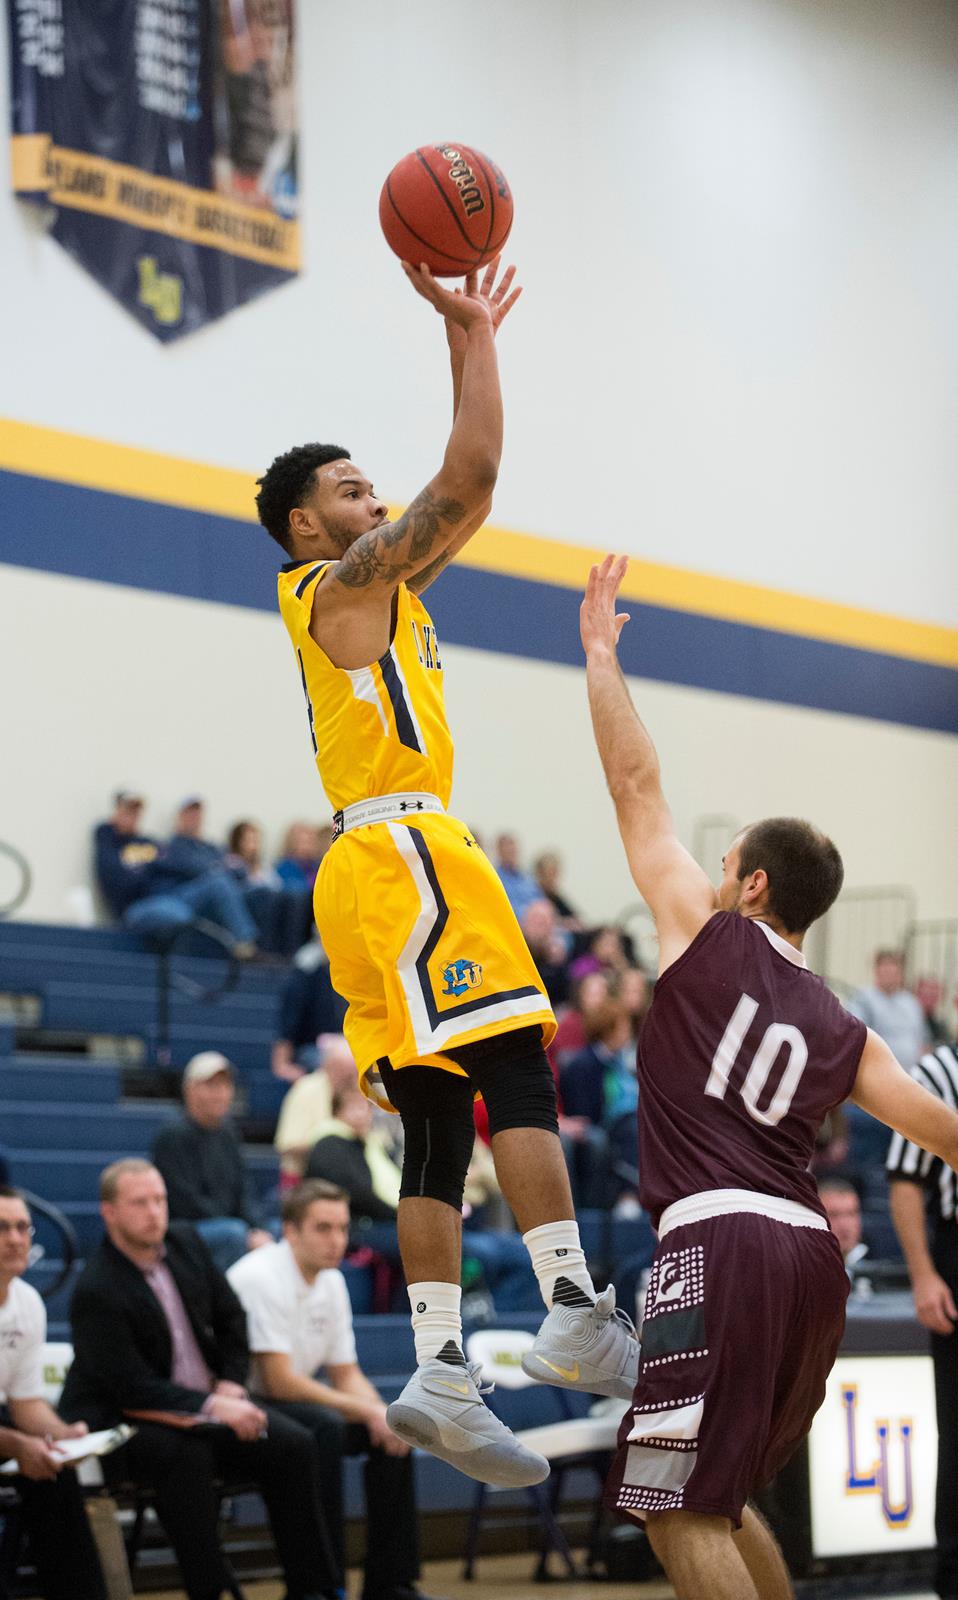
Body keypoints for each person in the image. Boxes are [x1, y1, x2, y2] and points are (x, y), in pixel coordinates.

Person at [253, 260, 637, 1487]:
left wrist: (471, 344)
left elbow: (474, 492)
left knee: (430, 1116)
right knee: (517, 1062)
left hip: (370, 866)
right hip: (405, 850)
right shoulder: (338, 587)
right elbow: (463, 479)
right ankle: (570, 1307)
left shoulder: (381, 588)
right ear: (304, 523)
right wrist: (470, 337)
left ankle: (437, 1371)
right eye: (348, 488)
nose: (373, 497)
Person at [576, 554, 958, 1600]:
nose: (705, 876)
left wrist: (602, 657)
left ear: (750, 885)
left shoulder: (702, 934)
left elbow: (634, 787)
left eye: (724, 863)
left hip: (720, 1241)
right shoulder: (849, 1027)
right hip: (811, 1259)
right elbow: (944, 1133)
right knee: (724, 1493)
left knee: (675, 1505)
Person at [60, 1160, 340, 1600]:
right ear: (109, 1212)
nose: (154, 1212)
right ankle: (209, 1590)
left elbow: (232, 1319)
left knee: (293, 1444)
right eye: (139, 1203)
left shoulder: (185, 1243)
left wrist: (231, 1383)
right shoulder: (98, 1287)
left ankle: (312, 1590)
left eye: (159, 1200)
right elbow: (129, 1386)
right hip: (125, 1422)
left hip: (203, 1406)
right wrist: (213, 1406)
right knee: (186, 1455)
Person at [228, 1180, 438, 1600]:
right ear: (291, 1231)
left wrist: (384, 1414)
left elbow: (345, 1373)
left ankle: (391, 1584)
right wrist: (367, 1411)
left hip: (295, 1400)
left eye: (342, 1228)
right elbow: (277, 1380)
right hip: (244, 1403)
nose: (337, 1240)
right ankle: (326, 1585)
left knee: (394, 1433)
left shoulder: (332, 1281)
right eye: (323, 1228)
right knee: (324, 1429)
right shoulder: (259, 1276)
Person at [0, 1186, 106, 1600]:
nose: (15, 1239)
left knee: (54, 1467)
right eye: (2, 1228)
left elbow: (25, 1401)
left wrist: (63, 1435)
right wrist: (19, 1445)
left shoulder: (28, 1303)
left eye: (22, 1228)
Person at [887, 1037, 958, 1600]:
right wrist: (924, 1274)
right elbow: (906, 1180)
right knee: (956, 1429)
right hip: (955, 1249)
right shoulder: (938, 1070)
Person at [94, 790, 259, 952]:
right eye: (127, 811)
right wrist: (151, 868)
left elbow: (178, 867)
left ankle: (247, 947)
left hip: (170, 896)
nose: (132, 816)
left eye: (136, 812)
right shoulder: (108, 842)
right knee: (178, 913)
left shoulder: (149, 843)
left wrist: (149, 869)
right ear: (116, 812)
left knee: (218, 884)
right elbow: (121, 880)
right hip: (136, 907)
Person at [152, 1052, 272, 1272]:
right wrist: (246, 1231)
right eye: (211, 1086)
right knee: (233, 1234)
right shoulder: (172, 1136)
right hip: (185, 1231)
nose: (220, 1093)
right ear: (189, 1090)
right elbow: (183, 1202)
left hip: (229, 1224)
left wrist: (258, 1228)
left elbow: (243, 1191)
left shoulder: (229, 1134)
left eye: (225, 1086)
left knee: (278, 1229)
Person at [274, 1032, 357, 1186]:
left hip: (344, 1182)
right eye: (346, 1073)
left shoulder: (355, 1091)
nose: (352, 1079)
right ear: (329, 1067)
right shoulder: (306, 1090)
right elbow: (287, 1145)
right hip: (304, 1183)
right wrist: (336, 1143)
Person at [271, 939, 348, 1083]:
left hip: (347, 1045)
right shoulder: (307, 973)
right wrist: (281, 1063)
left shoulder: (355, 972)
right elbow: (289, 1021)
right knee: (338, 1060)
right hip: (314, 1047)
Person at [848, 949, 929, 1069]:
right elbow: (857, 1036)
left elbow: (922, 1040)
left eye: (893, 970)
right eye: (885, 970)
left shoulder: (911, 1002)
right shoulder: (864, 999)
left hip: (911, 1072)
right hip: (878, 1070)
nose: (889, 975)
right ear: (877, 971)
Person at [817, 1176, 871, 1288]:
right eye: (833, 1215)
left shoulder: (882, 1264)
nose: (844, 1225)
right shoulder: (800, 1271)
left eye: (851, 1213)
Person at [492, 833, 541, 921]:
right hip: (515, 922)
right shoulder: (495, 878)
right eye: (507, 851)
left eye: (513, 850)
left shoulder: (527, 877)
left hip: (537, 921)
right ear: (499, 852)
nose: (511, 853)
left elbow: (540, 900)